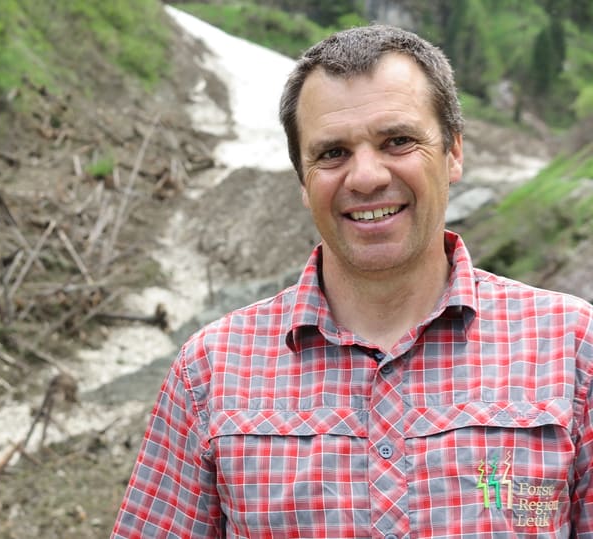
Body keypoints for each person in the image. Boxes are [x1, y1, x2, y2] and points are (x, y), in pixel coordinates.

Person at [111, 24, 593, 538]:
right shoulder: (209, 373)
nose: (366, 177)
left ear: (453, 152)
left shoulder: (573, 349)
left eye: (398, 141)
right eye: (333, 153)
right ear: (303, 179)